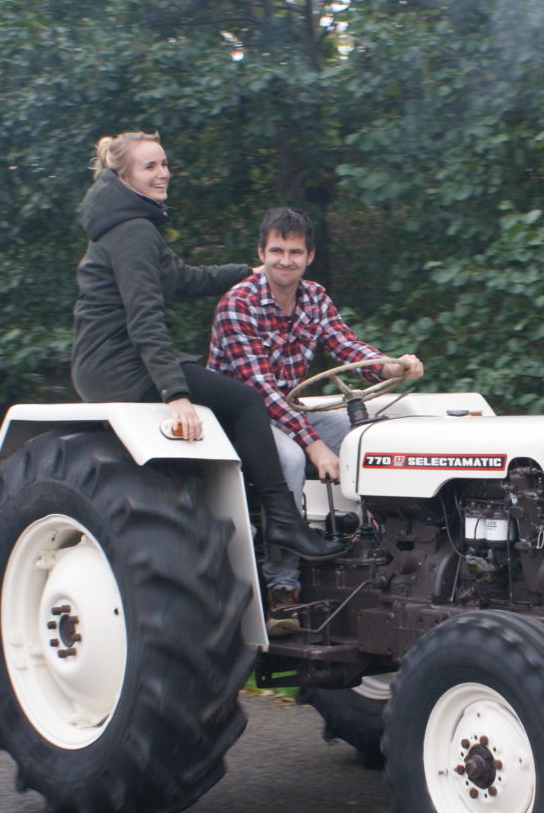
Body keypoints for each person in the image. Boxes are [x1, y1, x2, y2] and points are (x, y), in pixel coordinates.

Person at [70, 132, 342, 561]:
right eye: (149, 167)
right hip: (119, 364)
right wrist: (175, 394)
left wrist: (244, 272)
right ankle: (283, 522)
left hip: (112, 359)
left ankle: (268, 520)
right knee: (246, 400)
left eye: (163, 164)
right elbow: (144, 318)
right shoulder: (132, 232)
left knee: (235, 400)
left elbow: (182, 279)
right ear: (123, 176)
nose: (162, 174)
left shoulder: (131, 225)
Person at [208, 207, 423, 605]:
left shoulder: (315, 297)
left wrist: (389, 365)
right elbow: (261, 391)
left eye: (294, 252)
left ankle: (384, 546)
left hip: (288, 410)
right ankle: (282, 583)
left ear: (310, 256)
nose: (285, 261)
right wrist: (313, 444)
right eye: (276, 251)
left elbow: (346, 347)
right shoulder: (238, 303)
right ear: (261, 252)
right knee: (289, 459)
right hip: (239, 419)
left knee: (367, 437)